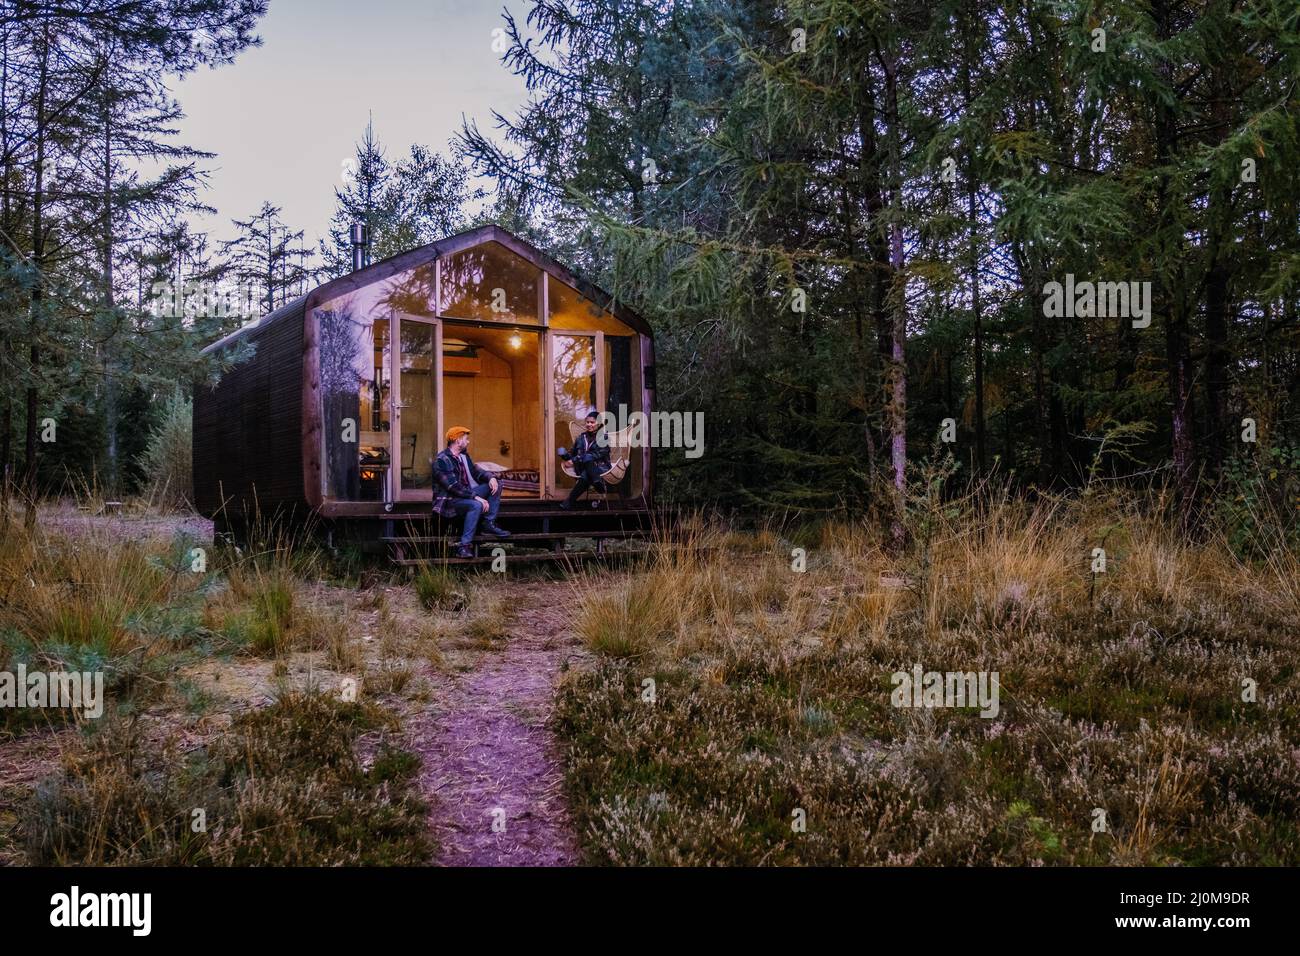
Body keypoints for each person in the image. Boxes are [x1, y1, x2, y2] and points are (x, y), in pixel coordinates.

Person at [433, 426, 510, 558]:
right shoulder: (442, 460)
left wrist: (490, 477)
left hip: (467, 495)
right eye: (466, 439)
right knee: (476, 505)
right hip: (450, 501)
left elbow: (476, 471)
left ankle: (488, 523)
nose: (468, 442)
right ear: (457, 441)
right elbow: (453, 487)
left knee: (497, 483)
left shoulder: (463, 456)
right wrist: (476, 497)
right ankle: (463, 547)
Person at [558, 410, 612, 510]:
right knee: (586, 470)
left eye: (592, 422)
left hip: (600, 467)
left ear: (598, 423)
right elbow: (572, 453)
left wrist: (575, 460)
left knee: (586, 470)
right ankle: (597, 483)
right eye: (587, 422)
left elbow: (597, 454)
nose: (589, 424)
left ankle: (569, 502)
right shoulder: (581, 438)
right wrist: (565, 455)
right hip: (584, 467)